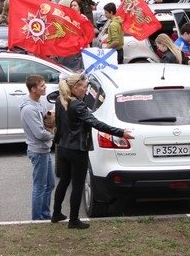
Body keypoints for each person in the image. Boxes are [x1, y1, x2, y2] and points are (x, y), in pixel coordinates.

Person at [52, 74, 134, 229]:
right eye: (84, 86)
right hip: (77, 150)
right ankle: (74, 220)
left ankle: (56, 213)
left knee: (64, 181)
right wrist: (121, 132)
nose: (87, 90)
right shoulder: (78, 106)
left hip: (62, 147)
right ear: (75, 87)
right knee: (77, 185)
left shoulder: (60, 100)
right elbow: (96, 123)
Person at [20, 75, 56, 221]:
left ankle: (45, 215)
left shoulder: (40, 103)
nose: (45, 87)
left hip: (45, 150)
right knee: (40, 187)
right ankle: (37, 219)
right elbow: (39, 134)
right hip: (38, 151)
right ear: (33, 89)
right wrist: (55, 134)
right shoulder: (29, 109)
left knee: (50, 184)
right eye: (41, 86)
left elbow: (46, 123)